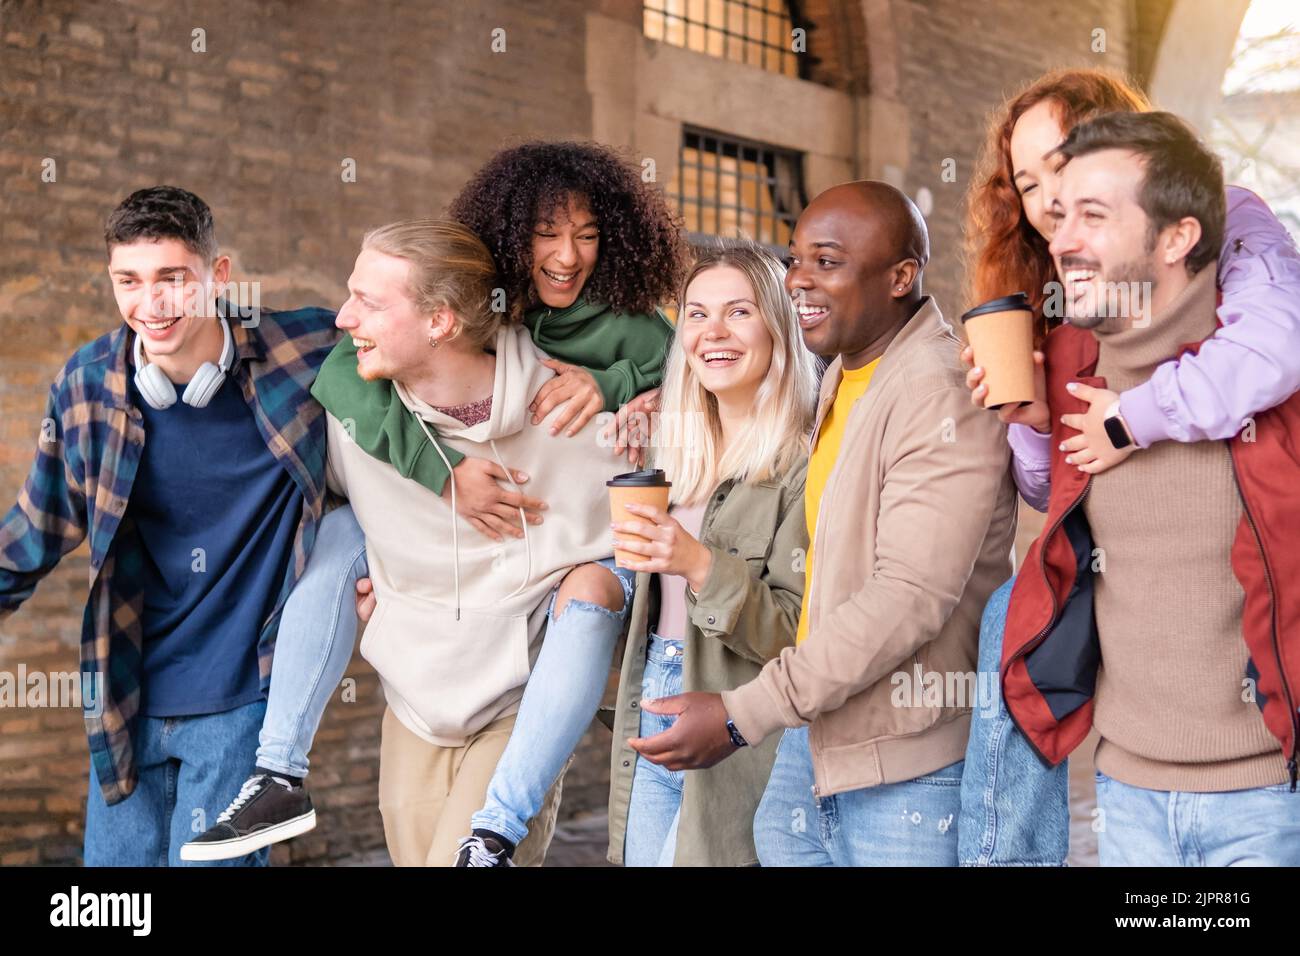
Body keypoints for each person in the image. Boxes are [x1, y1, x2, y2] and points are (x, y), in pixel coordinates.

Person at [185, 142, 686, 859]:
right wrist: (439, 484)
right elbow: (333, 378)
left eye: (586, 236)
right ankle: (278, 770)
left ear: (444, 319)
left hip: (515, 693)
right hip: (413, 696)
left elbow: (707, 405)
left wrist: (640, 402)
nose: (567, 257)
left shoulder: (606, 373)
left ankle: (494, 818)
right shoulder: (368, 390)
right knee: (341, 528)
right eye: (545, 235)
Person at [957, 68, 1300, 866]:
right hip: (1128, 791)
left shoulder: (1241, 235)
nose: (1048, 208)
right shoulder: (1072, 325)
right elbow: (1055, 495)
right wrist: (1032, 423)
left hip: (1261, 796)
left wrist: (1133, 418)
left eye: (1071, 176)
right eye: (1031, 184)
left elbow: (1271, 350)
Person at [630, 182, 1017, 867]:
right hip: (815, 743)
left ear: (901, 276)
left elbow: (908, 597)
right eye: (796, 258)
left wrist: (740, 713)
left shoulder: (936, 389)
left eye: (828, 261)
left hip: (905, 766)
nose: (800, 280)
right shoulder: (848, 377)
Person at [0, 186, 338, 865]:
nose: (150, 305)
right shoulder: (88, 384)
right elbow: (35, 531)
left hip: (242, 699)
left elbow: (427, 351)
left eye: (172, 279)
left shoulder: (304, 350)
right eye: (129, 281)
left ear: (218, 275)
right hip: (126, 695)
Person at [454, 243, 816, 866]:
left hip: (738, 717)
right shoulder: (672, 453)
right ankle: (493, 833)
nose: (714, 333)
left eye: (739, 313)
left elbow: (797, 636)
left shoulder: (803, 463)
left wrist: (698, 563)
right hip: (652, 697)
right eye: (696, 315)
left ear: (779, 326)